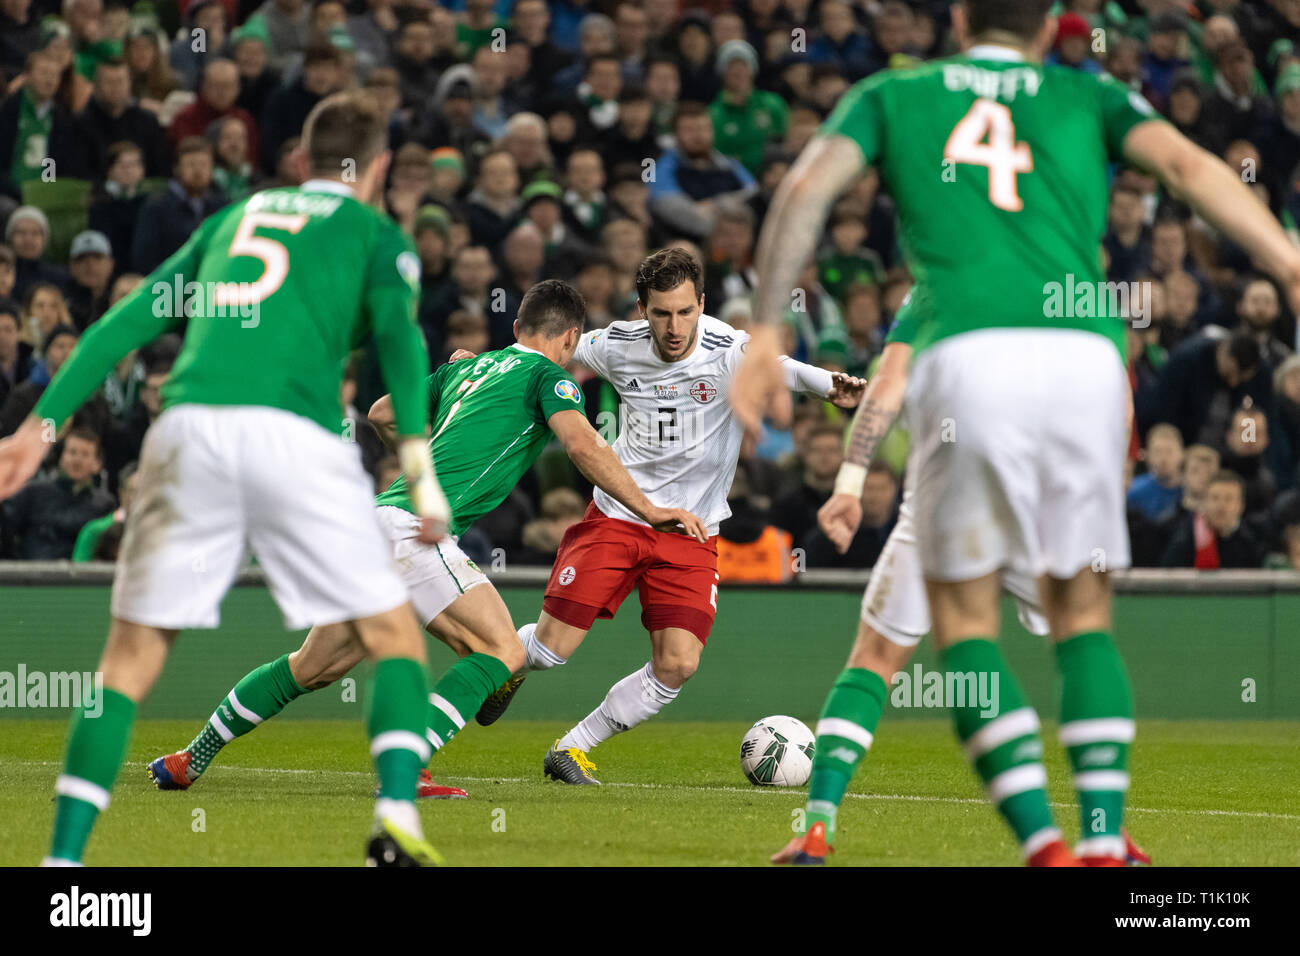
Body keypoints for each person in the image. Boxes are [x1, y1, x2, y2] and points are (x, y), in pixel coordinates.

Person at [735, 0, 1300, 866]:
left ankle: (1043, 843)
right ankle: (1106, 843)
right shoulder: (1089, 95)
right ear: (1047, 26)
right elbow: (1189, 165)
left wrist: (770, 330)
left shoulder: (897, 92)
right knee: (1085, 619)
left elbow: (809, 188)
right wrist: (1290, 260)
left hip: (975, 361)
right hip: (1085, 361)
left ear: (959, 21)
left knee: (959, 634)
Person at [0, 90, 450, 868]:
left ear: (300, 163)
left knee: (129, 661)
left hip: (186, 431)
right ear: (376, 169)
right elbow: (404, 350)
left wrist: (36, 430)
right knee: (392, 636)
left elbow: (123, 323)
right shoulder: (376, 236)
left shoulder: (230, 219)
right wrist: (418, 466)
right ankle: (396, 821)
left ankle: (62, 870)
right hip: (295, 436)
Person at [147, 280, 705, 797]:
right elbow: (584, 447)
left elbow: (382, 414)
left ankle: (189, 758)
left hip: (375, 523)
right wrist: (649, 509)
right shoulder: (548, 379)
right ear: (570, 339)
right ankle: (409, 762)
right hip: (418, 529)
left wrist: (443, 431)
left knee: (313, 667)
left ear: (515, 329)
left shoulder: (465, 370)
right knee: (504, 649)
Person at [476, 249, 864, 782]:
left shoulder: (729, 349)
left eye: (685, 312)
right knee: (548, 652)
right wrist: (480, 366)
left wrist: (831, 385)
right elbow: (544, 350)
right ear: (642, 309)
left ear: (702, 304)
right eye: (661, 313)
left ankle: (571, 748)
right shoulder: (616, 344)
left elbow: (782, 369)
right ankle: (504, 661)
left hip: (692, 529)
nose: (675, 326)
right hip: (620, 516)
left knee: (678, 664)